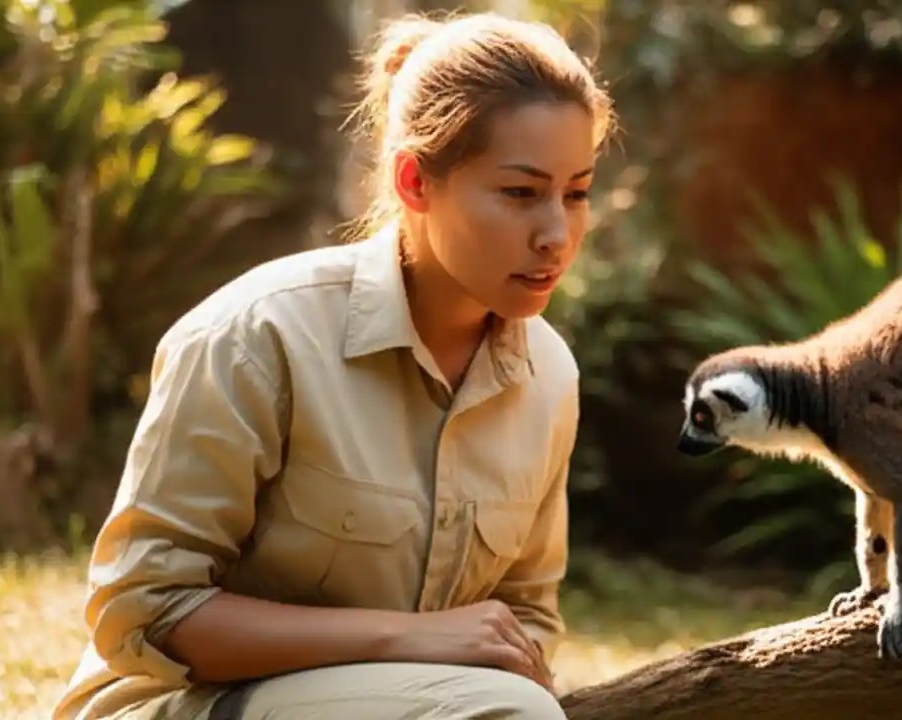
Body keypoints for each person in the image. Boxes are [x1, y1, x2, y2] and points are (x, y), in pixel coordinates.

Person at [54, 10, 614, 720]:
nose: (556, 234)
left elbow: (522, 625)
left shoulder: (549, 377)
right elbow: (146, 612)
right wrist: (409, 640)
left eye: (577, 192)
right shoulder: (258, 337)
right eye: (520, 193)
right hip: (180, 703)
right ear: (414, 181)